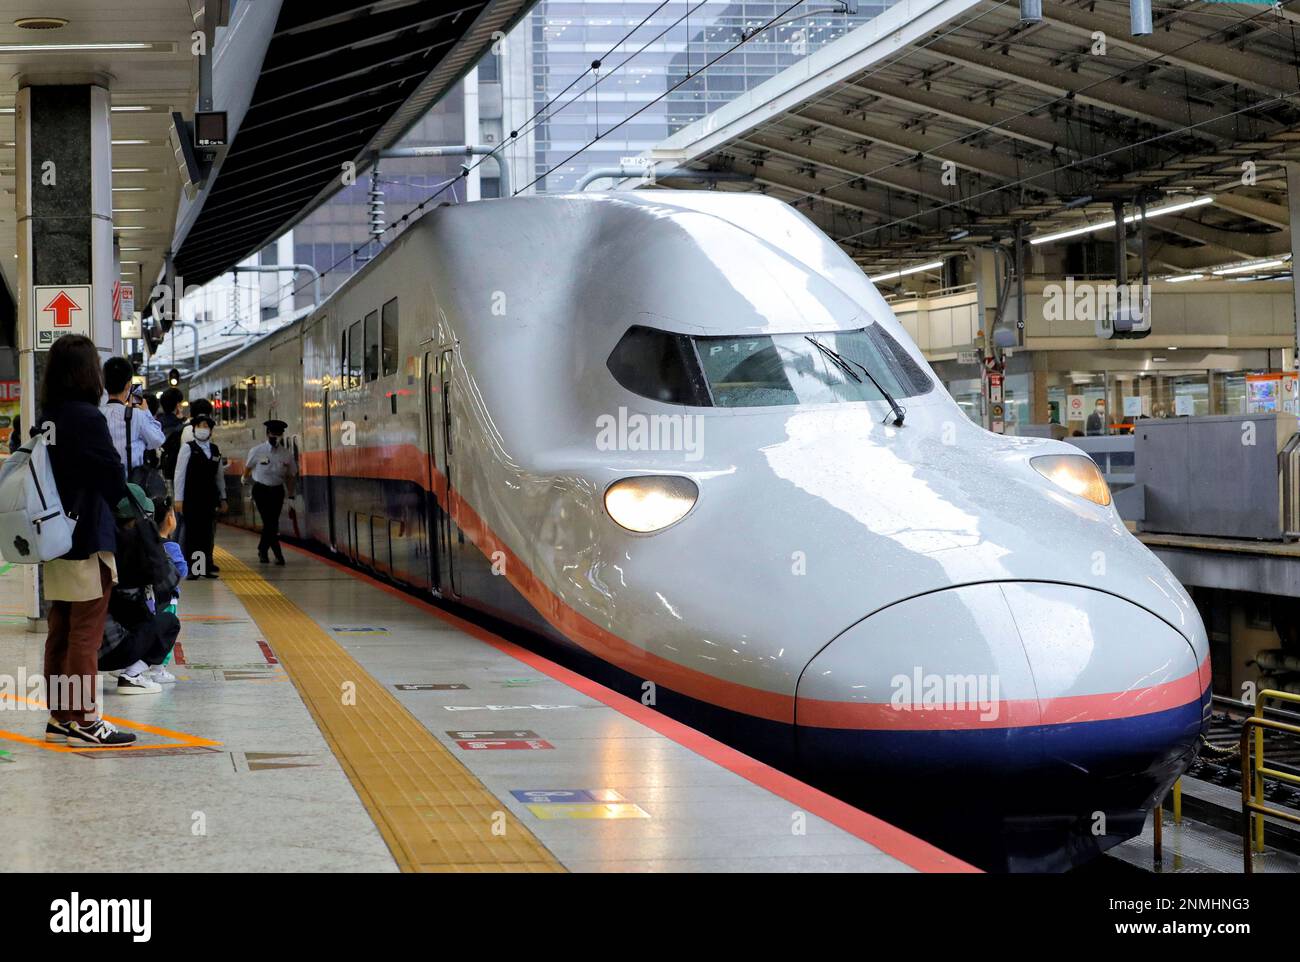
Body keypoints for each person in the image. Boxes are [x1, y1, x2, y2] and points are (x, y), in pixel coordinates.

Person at [38, 334, 135, 746]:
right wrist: (133, 514)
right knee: (85, 632)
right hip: (87, 538)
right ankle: (84, 719)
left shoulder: (48, 416)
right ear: (87, 372)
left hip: (55, 538)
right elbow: (112, 475)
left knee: (61, 626)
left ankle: (61, 716)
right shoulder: (87, 418)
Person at [98, 484, 180, 694]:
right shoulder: (134, 548)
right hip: (115, 651)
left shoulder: (102, 538)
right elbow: (169, 580)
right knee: (169, 622)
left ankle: (124, 668)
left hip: (87, 651)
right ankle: (131, 675)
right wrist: (158, 538)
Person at [175, 412, 226, 579]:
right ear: (194, 429)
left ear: (211, 431)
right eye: (199, 426)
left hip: (209, 499)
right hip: (192, 499)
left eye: (206, 426)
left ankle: (204, 567)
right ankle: (194, 569)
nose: (202, 429)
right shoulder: (188, 448)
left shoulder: (215, 450)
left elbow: (219, 476)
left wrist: (223, 497)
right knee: (193, 534)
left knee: (207, 534)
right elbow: (180, 475)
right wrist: (179, 499)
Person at [243, 419, 296, 565]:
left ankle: (263, 549)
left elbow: (291, 476)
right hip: (261, 490)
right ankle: (277, 554)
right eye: (273, 433)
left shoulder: (287, 455)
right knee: (269, 522)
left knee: (271, 522)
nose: (275, 436)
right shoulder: (257, 451)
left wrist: (291, 495)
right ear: (267, 434)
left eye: (278, 434)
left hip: (277, 491)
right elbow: (247, 468)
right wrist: (245, 480)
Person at [102, 356, 165, 476]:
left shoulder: (97, 414)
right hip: (132, 487)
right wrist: (146, 411)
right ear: (128, 385)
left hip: (105, 485)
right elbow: (158, 440)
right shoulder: (137, 415)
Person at [158, 388, 185, 482]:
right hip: (177, 470)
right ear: (178, 405)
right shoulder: (181, 427)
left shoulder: (157, 423)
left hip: (162, 470)